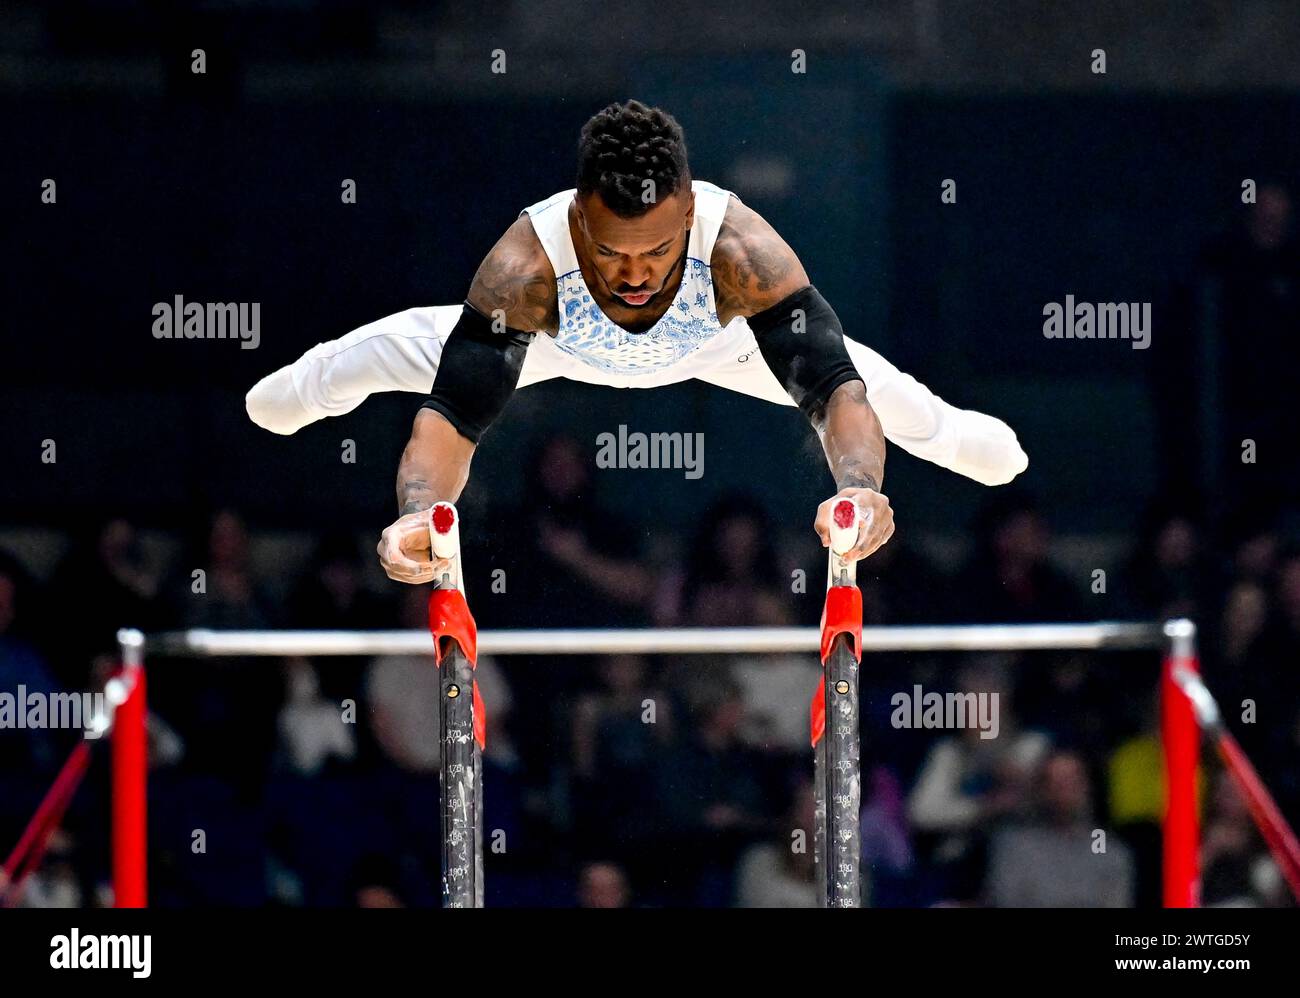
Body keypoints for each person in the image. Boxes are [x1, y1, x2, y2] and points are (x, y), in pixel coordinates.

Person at [243, 100, 1028, 582]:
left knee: (880, 388)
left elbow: (834, 392)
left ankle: (958, 436)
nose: (634, 275)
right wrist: (420, 512)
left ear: (688, 214)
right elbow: (452, 421)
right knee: (388, 351)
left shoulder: (741, 254)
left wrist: (858, 489)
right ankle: (305, 387)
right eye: (612, 252)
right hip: (555, 340)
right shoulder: (527, 267)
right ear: (579, 218)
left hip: (718, 342)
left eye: (656, 252)